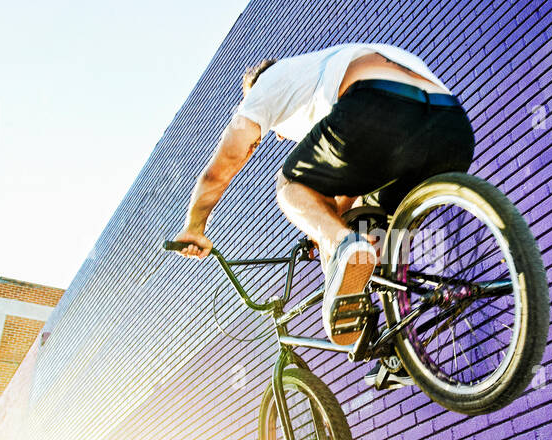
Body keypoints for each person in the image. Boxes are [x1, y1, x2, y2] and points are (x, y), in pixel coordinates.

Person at [172, 42, 475, 345]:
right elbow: (348, 185)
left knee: (289, 185)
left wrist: (196, 225)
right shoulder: (322, 69)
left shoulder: (269, 83)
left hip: (377, 104)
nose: (277, 135)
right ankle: (404, 343)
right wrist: (326, 223)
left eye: (274, 130)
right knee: (384, 235)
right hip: (450, 127)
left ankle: (347, 245)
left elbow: (222, 165)